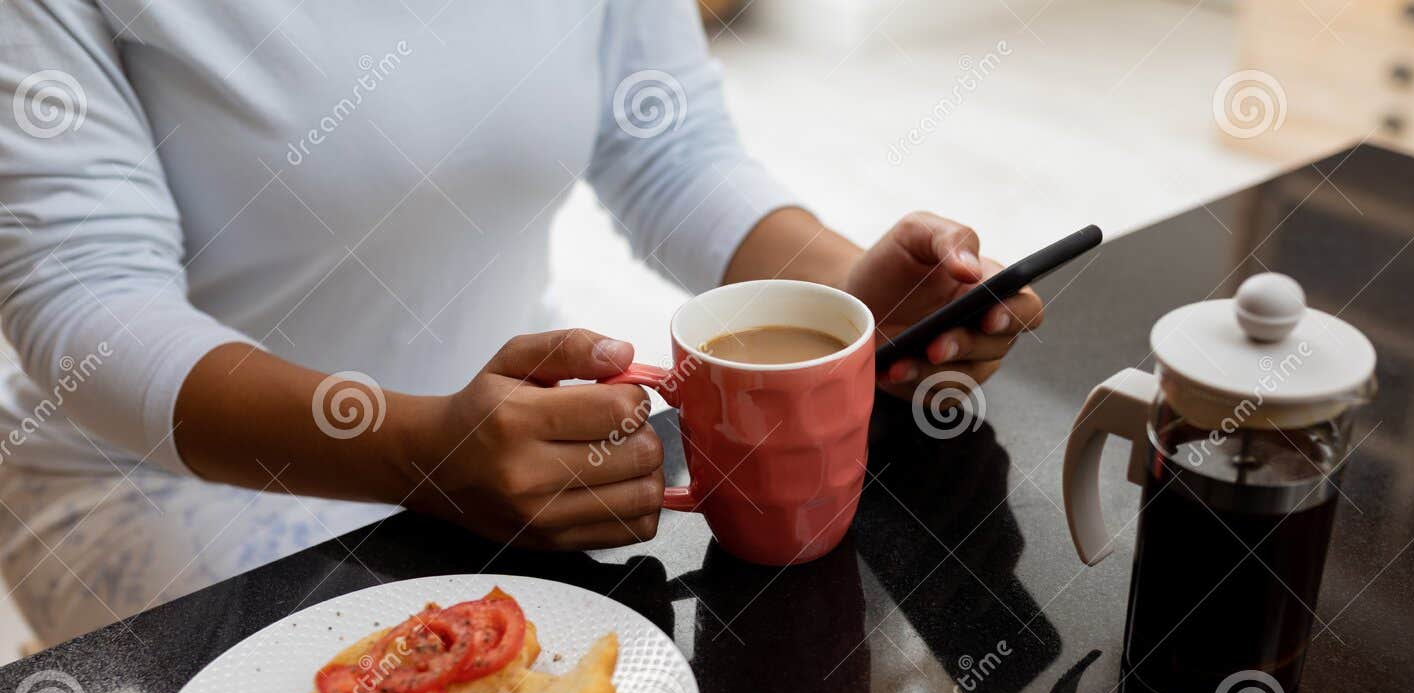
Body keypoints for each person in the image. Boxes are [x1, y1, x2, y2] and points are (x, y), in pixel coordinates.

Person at [0, 0, 1042, 646]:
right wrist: (413, 451)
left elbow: (667, 149)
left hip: (503, 436)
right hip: (159, 476)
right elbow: (83, 301)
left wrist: (847, 299)